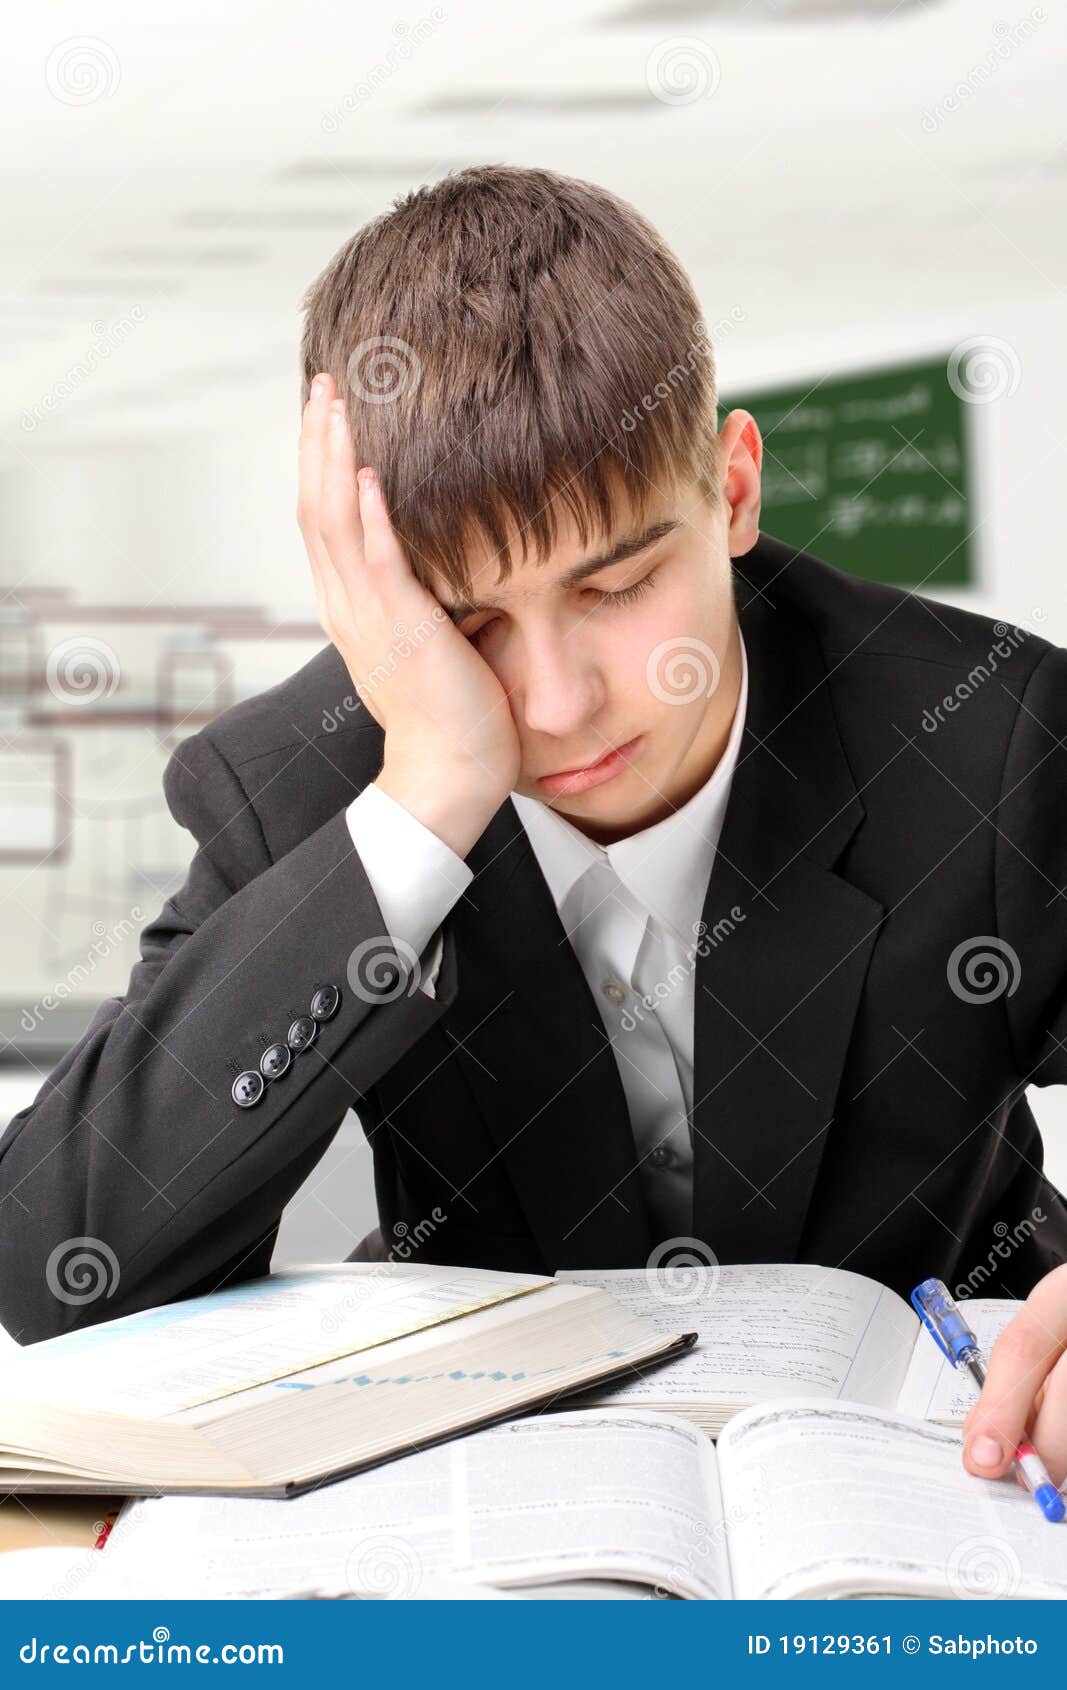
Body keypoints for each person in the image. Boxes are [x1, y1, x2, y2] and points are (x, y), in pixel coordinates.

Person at [2, 164, 1066, 1496]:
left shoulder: (987, 730)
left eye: (616, 584)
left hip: (950, 1466)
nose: (558, 705)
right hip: (501, 1509)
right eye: (470, 627)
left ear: (734, 490)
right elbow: (60, 1264)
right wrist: (428, 795)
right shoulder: (303, 781)